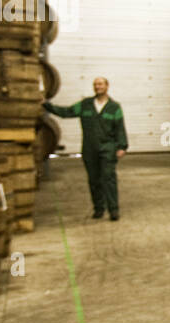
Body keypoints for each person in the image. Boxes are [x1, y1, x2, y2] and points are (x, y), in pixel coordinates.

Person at [43, 77, 128, 220]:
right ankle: (98, 209)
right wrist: (47, 105)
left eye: (100, 84)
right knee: (94, 180)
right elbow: (67, 112)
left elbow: (120, 128)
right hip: (90, 148)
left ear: (107, 86)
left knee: (109, 178)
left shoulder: (115, 107)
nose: (97, 87)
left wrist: (122, 146)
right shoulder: (85, 105)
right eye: (95, 84)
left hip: (108, 148)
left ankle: (113, 210)